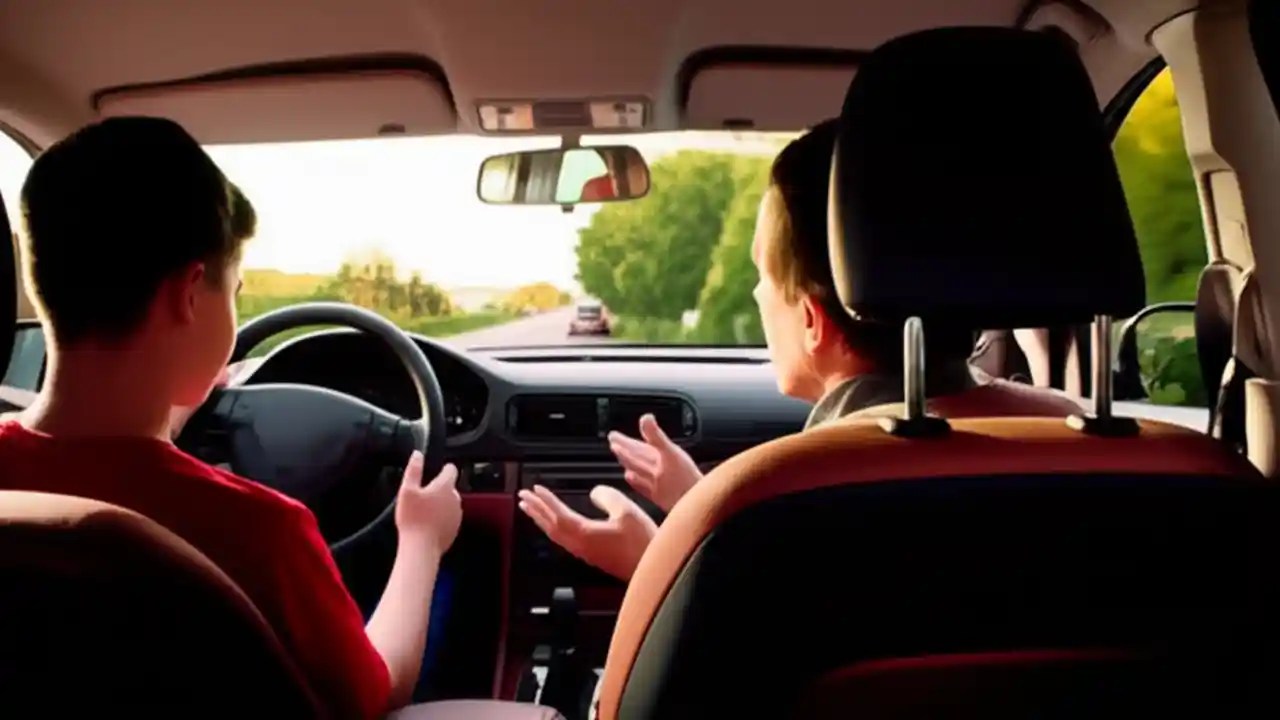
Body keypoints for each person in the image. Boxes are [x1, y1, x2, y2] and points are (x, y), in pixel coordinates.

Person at [0, 117, 460, 719]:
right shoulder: (261, 531)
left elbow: (104, 469)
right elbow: (373, 695)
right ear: (190, 294)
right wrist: (422, 540)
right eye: (235, 290)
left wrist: (169, 414)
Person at [518, 119, 1083, 581]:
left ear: (812, 320)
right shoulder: (1085, 443)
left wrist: (657, 563)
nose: (757, 293)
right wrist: (702, 506)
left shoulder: (800, 495)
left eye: (762, 273)